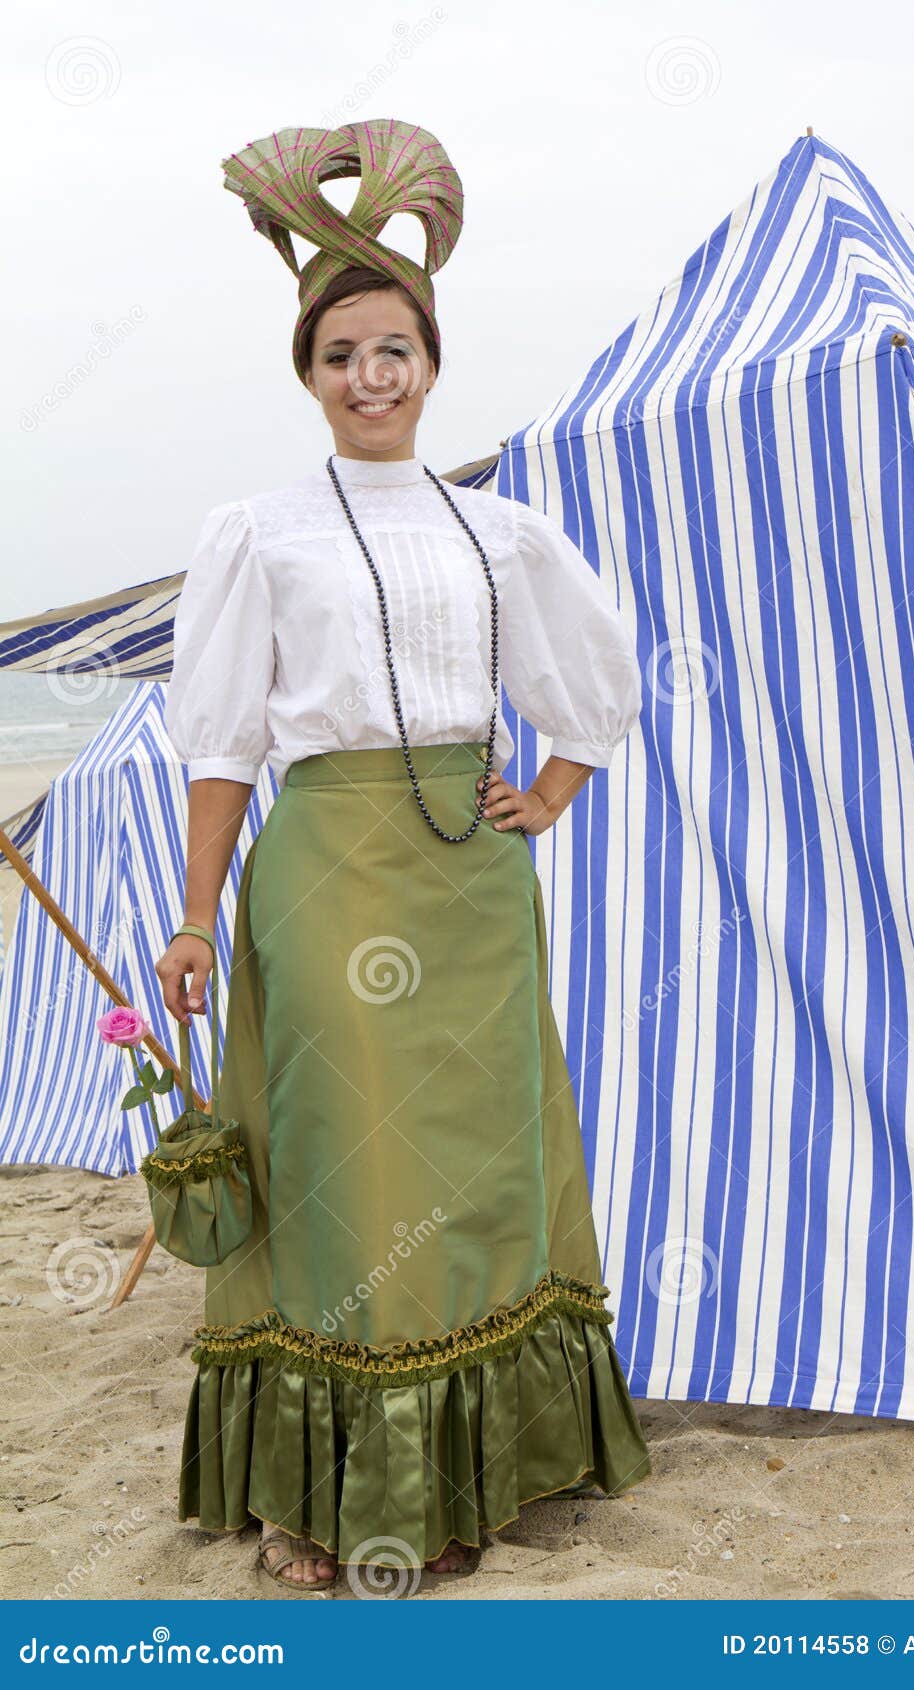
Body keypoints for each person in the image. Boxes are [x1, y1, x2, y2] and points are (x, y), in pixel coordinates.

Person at [154, 118, 651, 1592]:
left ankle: (493, 1468)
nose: (370, 377)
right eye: (340, 356)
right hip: (327, 872)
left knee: (487, 1166)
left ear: (431, 362)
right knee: (343, 1164)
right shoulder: (259, 534)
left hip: (471, 882)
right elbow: (223, 743)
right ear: (307, 375)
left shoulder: (501, 530)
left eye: (394, 350)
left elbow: (593, 679)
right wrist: (196, 916)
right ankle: (324, 1496)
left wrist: (549, 791)